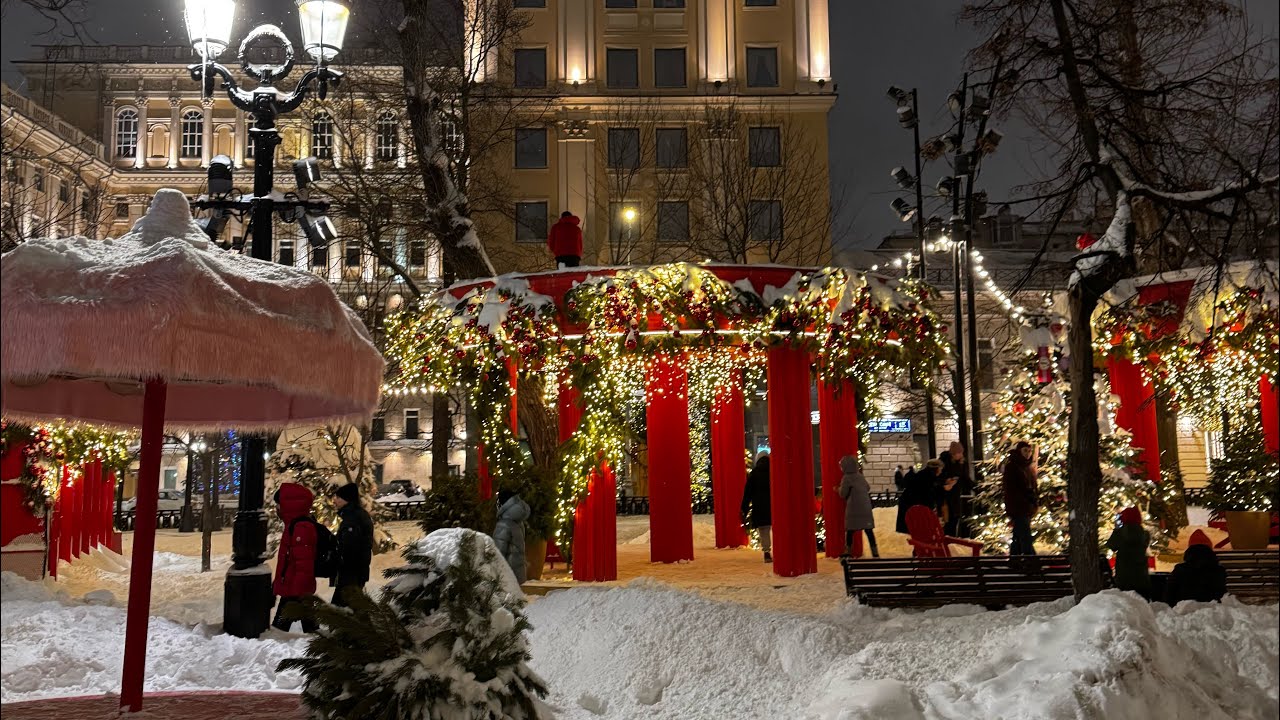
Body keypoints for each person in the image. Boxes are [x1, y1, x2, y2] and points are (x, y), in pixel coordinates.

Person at [272, 482, 318, 633]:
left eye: (279, 504)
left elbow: (304, 564)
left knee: (278, 631)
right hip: (294, 587)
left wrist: (296, 591)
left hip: (294, 589)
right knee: (311, 628)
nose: (277, 508)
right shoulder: (293, 525)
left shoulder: (300, 527)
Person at [332, 482, 374, 607]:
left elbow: (349, 546)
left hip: (351, 572)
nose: (335, 500)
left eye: (338, 497)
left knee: (342, 610)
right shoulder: (354, 515)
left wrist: (336, 553)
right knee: (348, 608)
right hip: (354, 570)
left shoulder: (353, 518)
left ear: (347, 499)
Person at [1105, 506, 1152, 598]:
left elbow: (1111, 545)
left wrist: (1117, 529)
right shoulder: (1145, 534)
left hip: (1123, 576)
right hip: (1141, 575)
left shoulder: (1120, 533)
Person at [837, 455, 878, 558]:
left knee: (850, 530)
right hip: (865, 508)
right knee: (869, 530)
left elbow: (842, 493)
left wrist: (836, 489)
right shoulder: (860, 476)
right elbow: (868, 488)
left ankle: (848, 551)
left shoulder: (846, 478)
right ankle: (875, 552)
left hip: (853, 508)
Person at [1002, 441, 1038, 555]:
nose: (1028, 453)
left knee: (1018, 536)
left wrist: (1034, 500)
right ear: (1019, 451)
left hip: (1026, 506)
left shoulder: (1027, 467)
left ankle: (1015, 561)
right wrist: (1028, 496)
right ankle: (1032, 564)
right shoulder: (1012, 467)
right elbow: (1012, 489)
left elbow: (1032, 486)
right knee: (1025, 537)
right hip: (1018, 507)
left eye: (1029, 451)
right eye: (1025, 451)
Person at [896, 459, 949, 533]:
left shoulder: (924, 475)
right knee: (918, 530)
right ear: (936, 469)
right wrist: (943, 489)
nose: (941, 471)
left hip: (909, 506)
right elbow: (928, 494)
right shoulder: (928, 478)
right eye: (940, 469)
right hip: (913, 508)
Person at [493, 488, 531, 584]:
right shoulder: (518, 521)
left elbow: (498, 553)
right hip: (518, 570)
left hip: (506, 573)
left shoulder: (504, 524)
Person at [741, 452, 773, 562]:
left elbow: (748, 492)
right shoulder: (774, 471)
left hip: (760, 506)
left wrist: (744, 508)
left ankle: (767, 552)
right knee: (779, 529)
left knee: (764, 530)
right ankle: (781, 550)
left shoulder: (754, 473)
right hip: (774, 505)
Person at [938, 441, 973, 537]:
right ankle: (946, 542)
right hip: (945, 497)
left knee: (955, 519)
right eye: (958, 453)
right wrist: (946, 481)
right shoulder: (944, 462)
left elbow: (965, 479)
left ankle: (952, 542)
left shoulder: (962, 463)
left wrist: (976, 487)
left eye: (961, 453)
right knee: (946, 521)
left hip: (955, 495)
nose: (960, 455)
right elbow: (938, 477)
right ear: (952, 454)